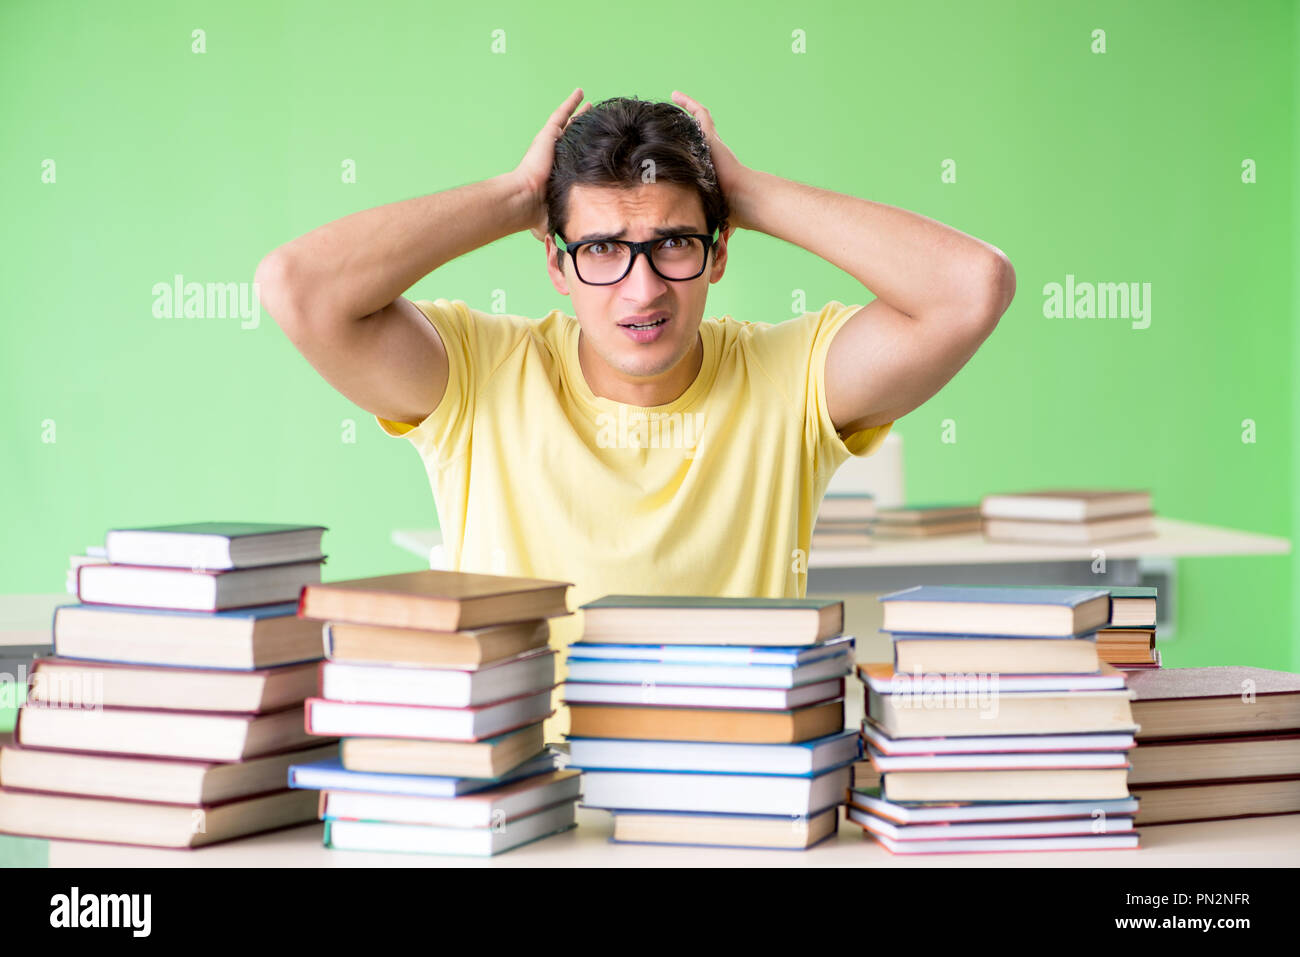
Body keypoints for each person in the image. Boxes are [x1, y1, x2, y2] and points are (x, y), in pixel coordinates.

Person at [256, 88, 1015, 739]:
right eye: (602, 250)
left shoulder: (788, 378)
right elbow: (298, 287)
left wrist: (745, 191)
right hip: (526, 801)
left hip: (728, 809)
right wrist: (518, 195)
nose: (642, 289)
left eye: (674, 243)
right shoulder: (477, 376)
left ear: (719, 253)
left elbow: (973, 285)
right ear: (556, 263)